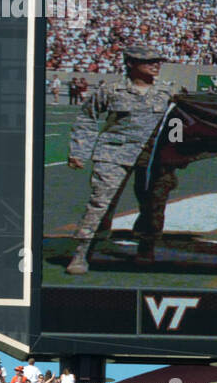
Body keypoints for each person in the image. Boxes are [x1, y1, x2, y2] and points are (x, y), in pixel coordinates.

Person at [65, 45, 180, 274]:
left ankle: (146, 246)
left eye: (158, 61)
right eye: (148, 61)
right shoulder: (111, 90)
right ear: (130, 63)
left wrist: (175, 152)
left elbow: (178, 123)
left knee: (154, 204)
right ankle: (83, 251)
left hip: (154, 157)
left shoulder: (169, 91)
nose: (156, 65)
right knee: (101, 203)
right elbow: (88, 118)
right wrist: (79, 151)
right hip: (114, 153)